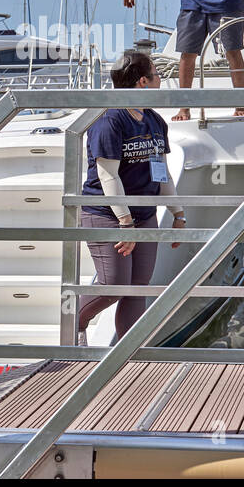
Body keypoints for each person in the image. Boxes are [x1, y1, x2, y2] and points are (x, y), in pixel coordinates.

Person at [76, 49, 187, 342]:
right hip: (107, 215)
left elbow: (161, 172)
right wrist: (126, 224)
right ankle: (74, 323)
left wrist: (178, 214)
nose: (161, 80)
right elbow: (107, 175)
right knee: (114, 285)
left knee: (138, 286)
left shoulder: (154, 121)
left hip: (144, 214)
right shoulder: (109, 120)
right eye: (157, 75)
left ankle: (129, 354)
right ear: (142, 82)